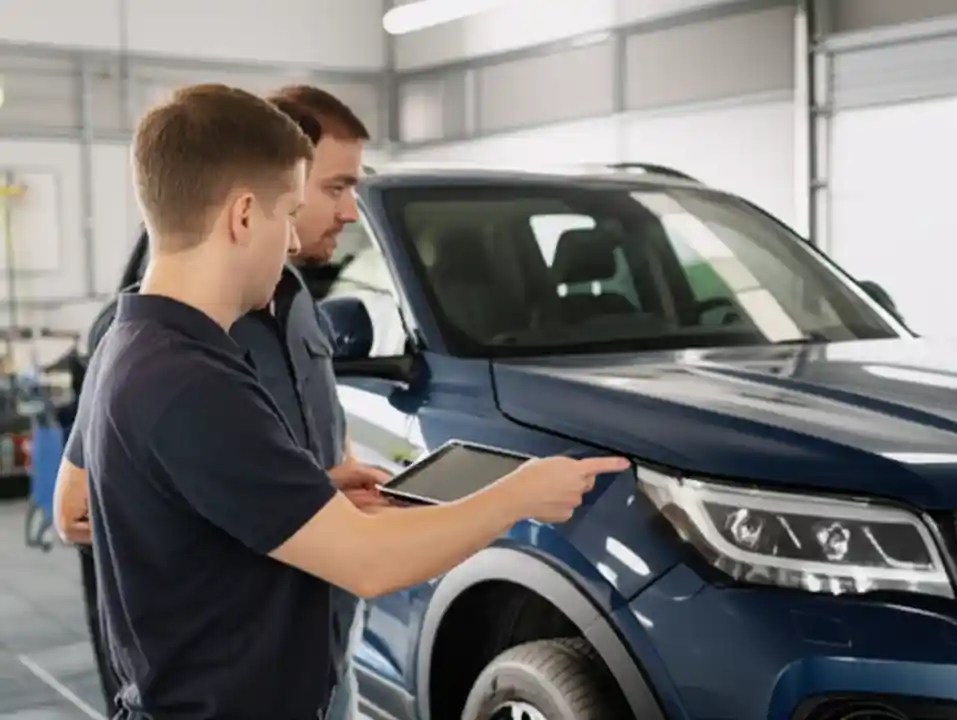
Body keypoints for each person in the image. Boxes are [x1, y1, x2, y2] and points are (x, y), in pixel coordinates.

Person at [61, 83, 628, 720]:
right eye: (288, 214)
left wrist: (309, 490)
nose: (295, 245)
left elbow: (194, 505)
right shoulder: (191, 381)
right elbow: (370, 564)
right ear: (244, 216)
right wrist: (521, 496)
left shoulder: (137, 344)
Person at [55, 85, 382, 719]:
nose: (349, 210)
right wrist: (272, 521)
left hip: (323, 655)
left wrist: (313, 492)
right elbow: (76, 511)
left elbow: (294, 454)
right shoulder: (168, 343)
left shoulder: (293, 300)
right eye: (334, 188)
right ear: (255, 197)